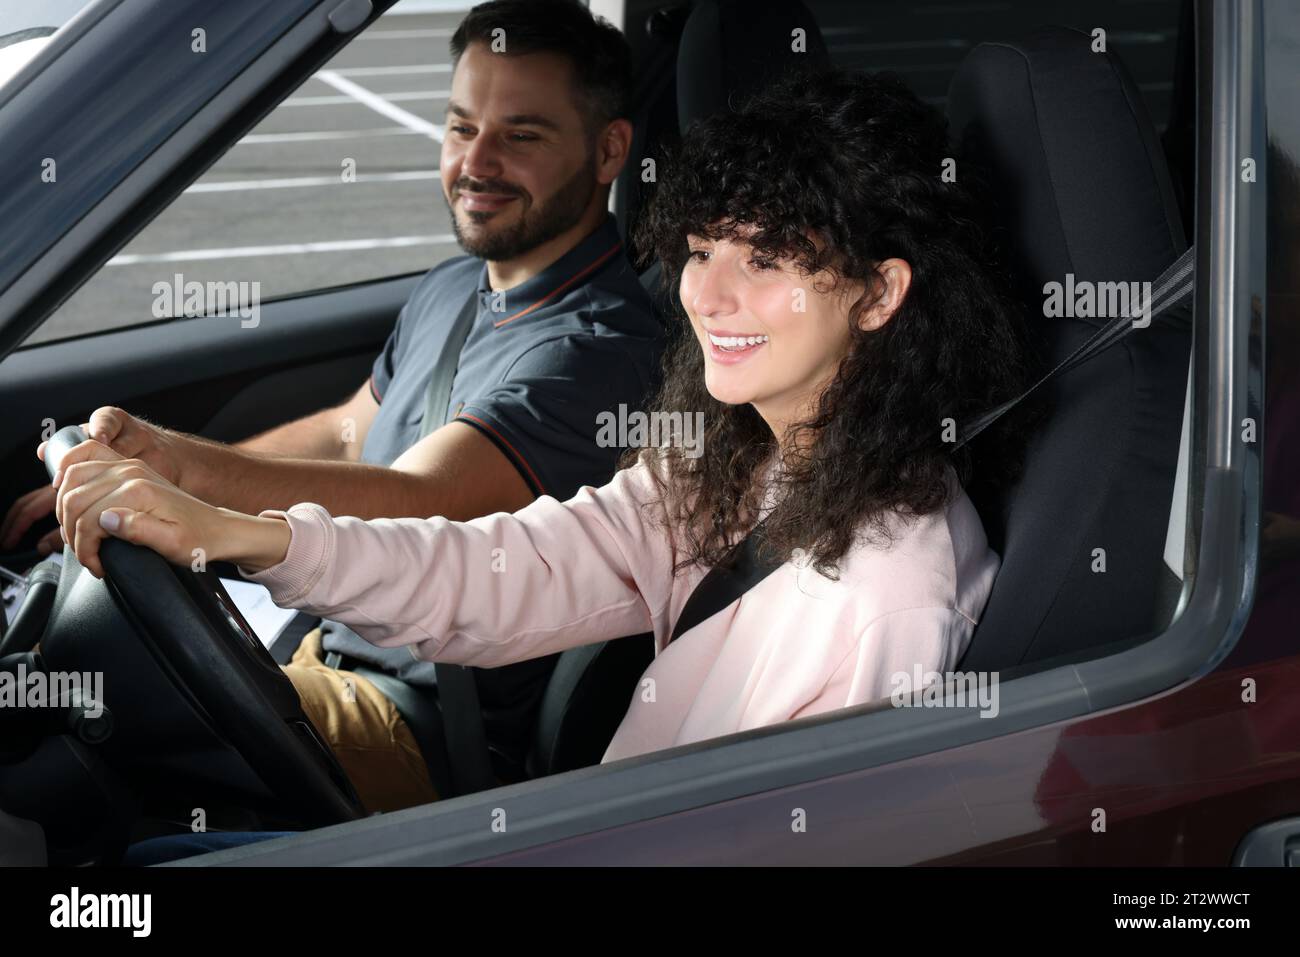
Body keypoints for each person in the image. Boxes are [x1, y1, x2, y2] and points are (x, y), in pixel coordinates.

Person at [57, 66, 1032, 862]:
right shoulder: (732, 465)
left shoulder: (892, 600)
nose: (711, 296)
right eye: (700, 249)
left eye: (768, 258)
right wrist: (255, 540)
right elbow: (501, 570)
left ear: (878, 294)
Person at [5, 0, 666, 812]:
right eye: (461, 128)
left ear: (609, 152)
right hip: (332, 651)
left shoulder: (596, 352)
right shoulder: (458, 287)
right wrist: (152, 470)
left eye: (521, 136)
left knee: (78, 721)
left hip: (422, 730)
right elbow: (350, 432)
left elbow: (420, 501)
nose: (476, 162)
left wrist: (182, 474)